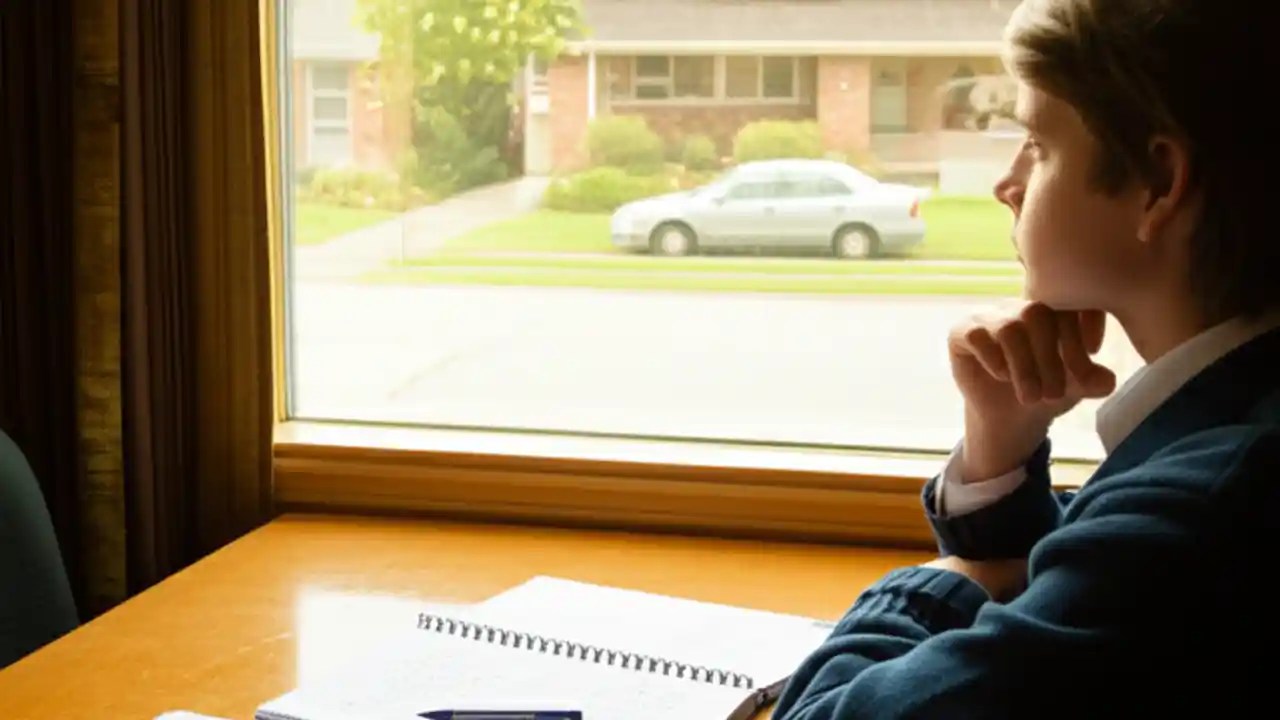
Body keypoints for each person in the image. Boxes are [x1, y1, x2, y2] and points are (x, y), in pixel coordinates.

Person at [772, 1, 1279, 717]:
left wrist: (944, 579)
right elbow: (1074, 582)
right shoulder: (1231, 422)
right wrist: (998, 448)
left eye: (1039, 143)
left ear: (1158, 186)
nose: (1006, 184)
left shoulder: (1214, 507)